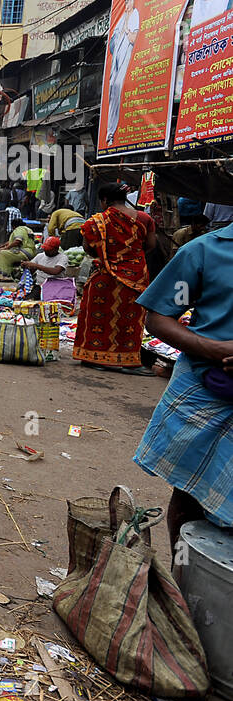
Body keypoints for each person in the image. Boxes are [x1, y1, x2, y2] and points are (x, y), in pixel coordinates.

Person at [132, 221, 233, 540]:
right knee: (191, 495)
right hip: (208, 389)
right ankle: (187, 584)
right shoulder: (204, 251)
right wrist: (216, 350)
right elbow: (158, 318)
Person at [72, 182, 156, 373]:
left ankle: (93, 357)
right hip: (135, 278)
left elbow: (89, 249)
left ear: (104, 200)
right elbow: (151, 245)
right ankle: (127, 361)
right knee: (130, 320)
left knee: (98, 319)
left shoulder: (95, 222)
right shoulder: (144, 218)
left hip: (105, 278)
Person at [105, 0, 140, 146]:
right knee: (112, 88)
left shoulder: (135, 14)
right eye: (126, 1)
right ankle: (108, 132)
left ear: (134, 1)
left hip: (126, 55)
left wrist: (126, 28)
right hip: (116, 59)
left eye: (130, 0)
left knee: (118, 86)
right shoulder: (122, 17)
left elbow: (133, 39)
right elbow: (112, 43)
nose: (128, 3)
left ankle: (112, 131)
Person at [20, 236, 70, 302]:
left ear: (56, 249)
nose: (46, 250)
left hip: (55, 286)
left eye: (49, 249)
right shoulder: (40, 256)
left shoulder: (62, 257)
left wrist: (37, 266)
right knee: (27, 301)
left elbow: (56, 271)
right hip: (40, 286)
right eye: (45, 249)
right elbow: (31, 270)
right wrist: (26, 266)